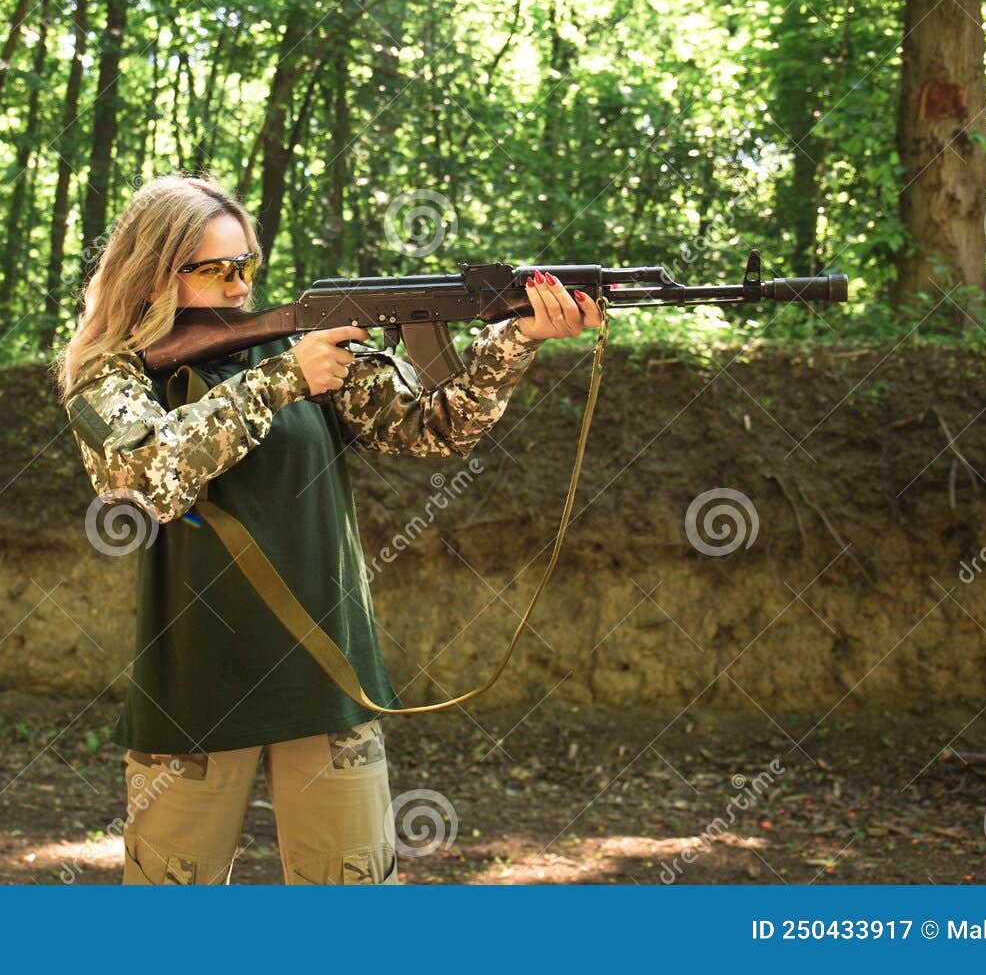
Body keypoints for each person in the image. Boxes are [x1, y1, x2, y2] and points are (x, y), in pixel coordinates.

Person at [58, 174, 601, 884]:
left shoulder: (303, 350)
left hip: (326, 684)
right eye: (217, 270)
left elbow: (437, 427)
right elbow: (142, 473)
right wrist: (285, 378)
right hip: (192, 690)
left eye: (246, 266)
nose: (238, 286)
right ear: (155, 273)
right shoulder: (114, 375)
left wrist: (515, 338)